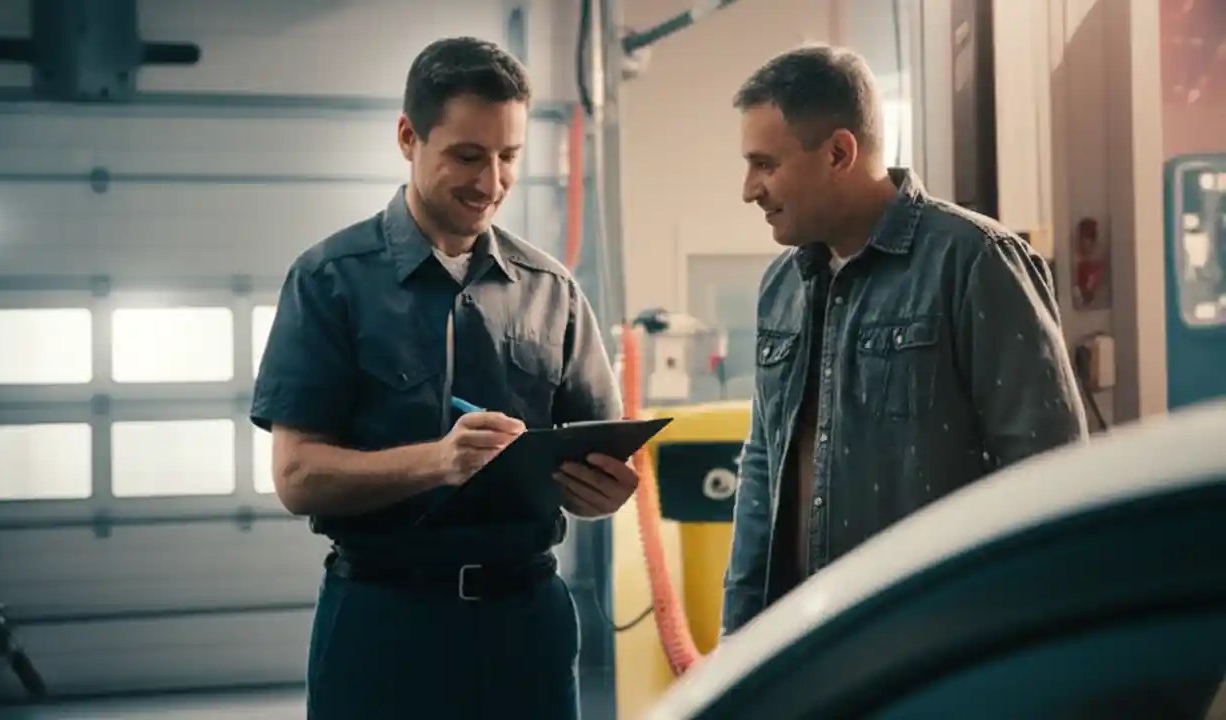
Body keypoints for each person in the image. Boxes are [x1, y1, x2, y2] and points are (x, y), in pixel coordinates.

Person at [250, 37, 638, 719]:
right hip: (384, 627)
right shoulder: (329, 281)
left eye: (508, 156)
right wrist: (438, 462)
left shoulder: (552, 290)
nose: (491, 183)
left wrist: (604, 492)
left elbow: (600, 457)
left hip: (528, 630)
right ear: (408, 137)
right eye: (467, 155)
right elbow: (297, 476)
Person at [721, 43, 1089, 637]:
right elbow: (765, 466)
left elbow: (1048, 470)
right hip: (806, 642)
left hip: (937, 642)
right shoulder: (782, 287)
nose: (748, 189)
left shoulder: (974, 262)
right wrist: (740, 637)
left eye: (765, 164)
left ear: (839, 153)